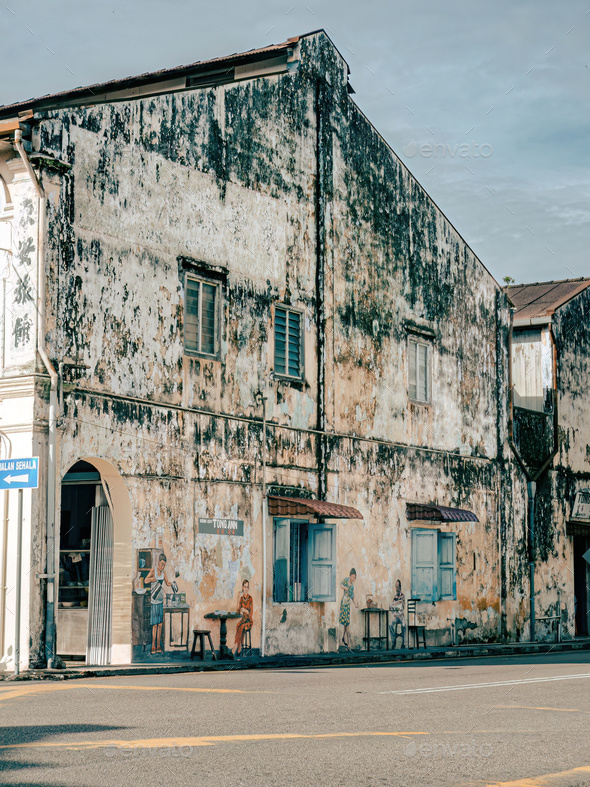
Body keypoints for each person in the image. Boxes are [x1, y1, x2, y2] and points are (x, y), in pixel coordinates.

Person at [144, 553, 171, 654]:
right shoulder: (153, 570)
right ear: (158, 562)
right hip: (154, 601)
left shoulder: (164, 573)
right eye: (161, 564)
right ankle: (153, 646)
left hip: (160, 601)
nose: (162, 567)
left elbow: (167, 582)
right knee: (154, 625)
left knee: (160, 624)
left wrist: (171, 584)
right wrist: (152, 579)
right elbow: (146, 580)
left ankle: (159, 645)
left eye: (164, 565)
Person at [233, 579, 253, 656]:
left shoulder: (250, 598)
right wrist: (238, 598)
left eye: (247, 587)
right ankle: (239, 647)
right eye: (245, 587)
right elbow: (238, 611)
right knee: (238, 625)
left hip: (248, 621)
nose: (246, 589)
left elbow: (250, 613)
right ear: (242, 587)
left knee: (241, 627)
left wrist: (244, 610)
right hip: (243, 619)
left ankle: (236, 648)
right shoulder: (241, 598)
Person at [339, 568, 358, 648]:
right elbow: (340, 585)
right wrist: (345, 588)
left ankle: (344, 639)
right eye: (353, 576)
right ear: (350, 575)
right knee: (344, 621)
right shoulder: (346, 580)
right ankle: (346, 640)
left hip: (347, 604)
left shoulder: (352, 586)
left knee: (347, 622)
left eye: (354, 577)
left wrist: (355, 604)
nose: (353, 578)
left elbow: (352, 596)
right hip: (343, 603)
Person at [389, 579, 406, 648]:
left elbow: (402, 607)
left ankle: (404, 643)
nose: (396, 588)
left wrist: (398, 612)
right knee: (390, 624)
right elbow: (393, 606)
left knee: (404, 625)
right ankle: (393, 641)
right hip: (396, 616)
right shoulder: (395, 596)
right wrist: (392, 609)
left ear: (400, 587)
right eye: (396, 587)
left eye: (398, 587)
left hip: (401, 616)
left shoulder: (402, 596)